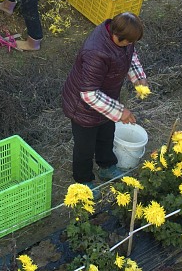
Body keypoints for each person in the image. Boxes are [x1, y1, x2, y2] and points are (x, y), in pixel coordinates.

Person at [61, 13, 148, 187]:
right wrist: (120, 111)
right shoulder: (95, 52)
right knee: (84, 147)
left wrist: (138, 77)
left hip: (106, 99)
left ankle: (106, 166)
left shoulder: (121, 37)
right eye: (129, 41)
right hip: (82, 107)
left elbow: (130, 55)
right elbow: (89, 94)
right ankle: (83, 180)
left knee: (106, 135)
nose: (131, 45)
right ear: (117, 37)